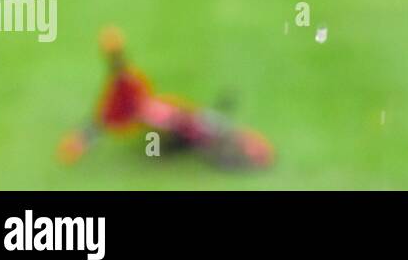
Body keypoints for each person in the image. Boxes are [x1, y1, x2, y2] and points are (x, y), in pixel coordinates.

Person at [57, 27, 273, 170]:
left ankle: (229, 140)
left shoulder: (129, 82)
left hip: (163, 121)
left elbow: (103, 121)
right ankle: (230, 142)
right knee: (193, 126)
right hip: (164, 125)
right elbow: (103, 121)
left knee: (192, 122)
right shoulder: (126, 85)